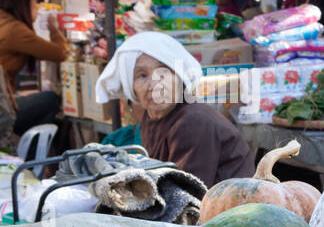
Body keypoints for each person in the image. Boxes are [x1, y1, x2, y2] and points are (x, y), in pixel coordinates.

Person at [96, 32, 254, 188]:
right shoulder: (150, 117)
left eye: (164, 71)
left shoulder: (192, 121)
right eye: (142, 75)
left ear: (180, 77)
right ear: (132, 87)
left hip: (228, 208)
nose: (155, 84)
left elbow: (186, 193)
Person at [0, 0, 68, 142]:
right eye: (34, 2)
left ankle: (34, 158)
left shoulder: (5, 22)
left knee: (43, 111)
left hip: (4, 102)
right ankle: (36, 159)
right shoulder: (15, 30)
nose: (37, 8)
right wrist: (53, 29)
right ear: (23, 4)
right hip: (3, 110)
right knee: (51, 99)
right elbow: (60, 53)